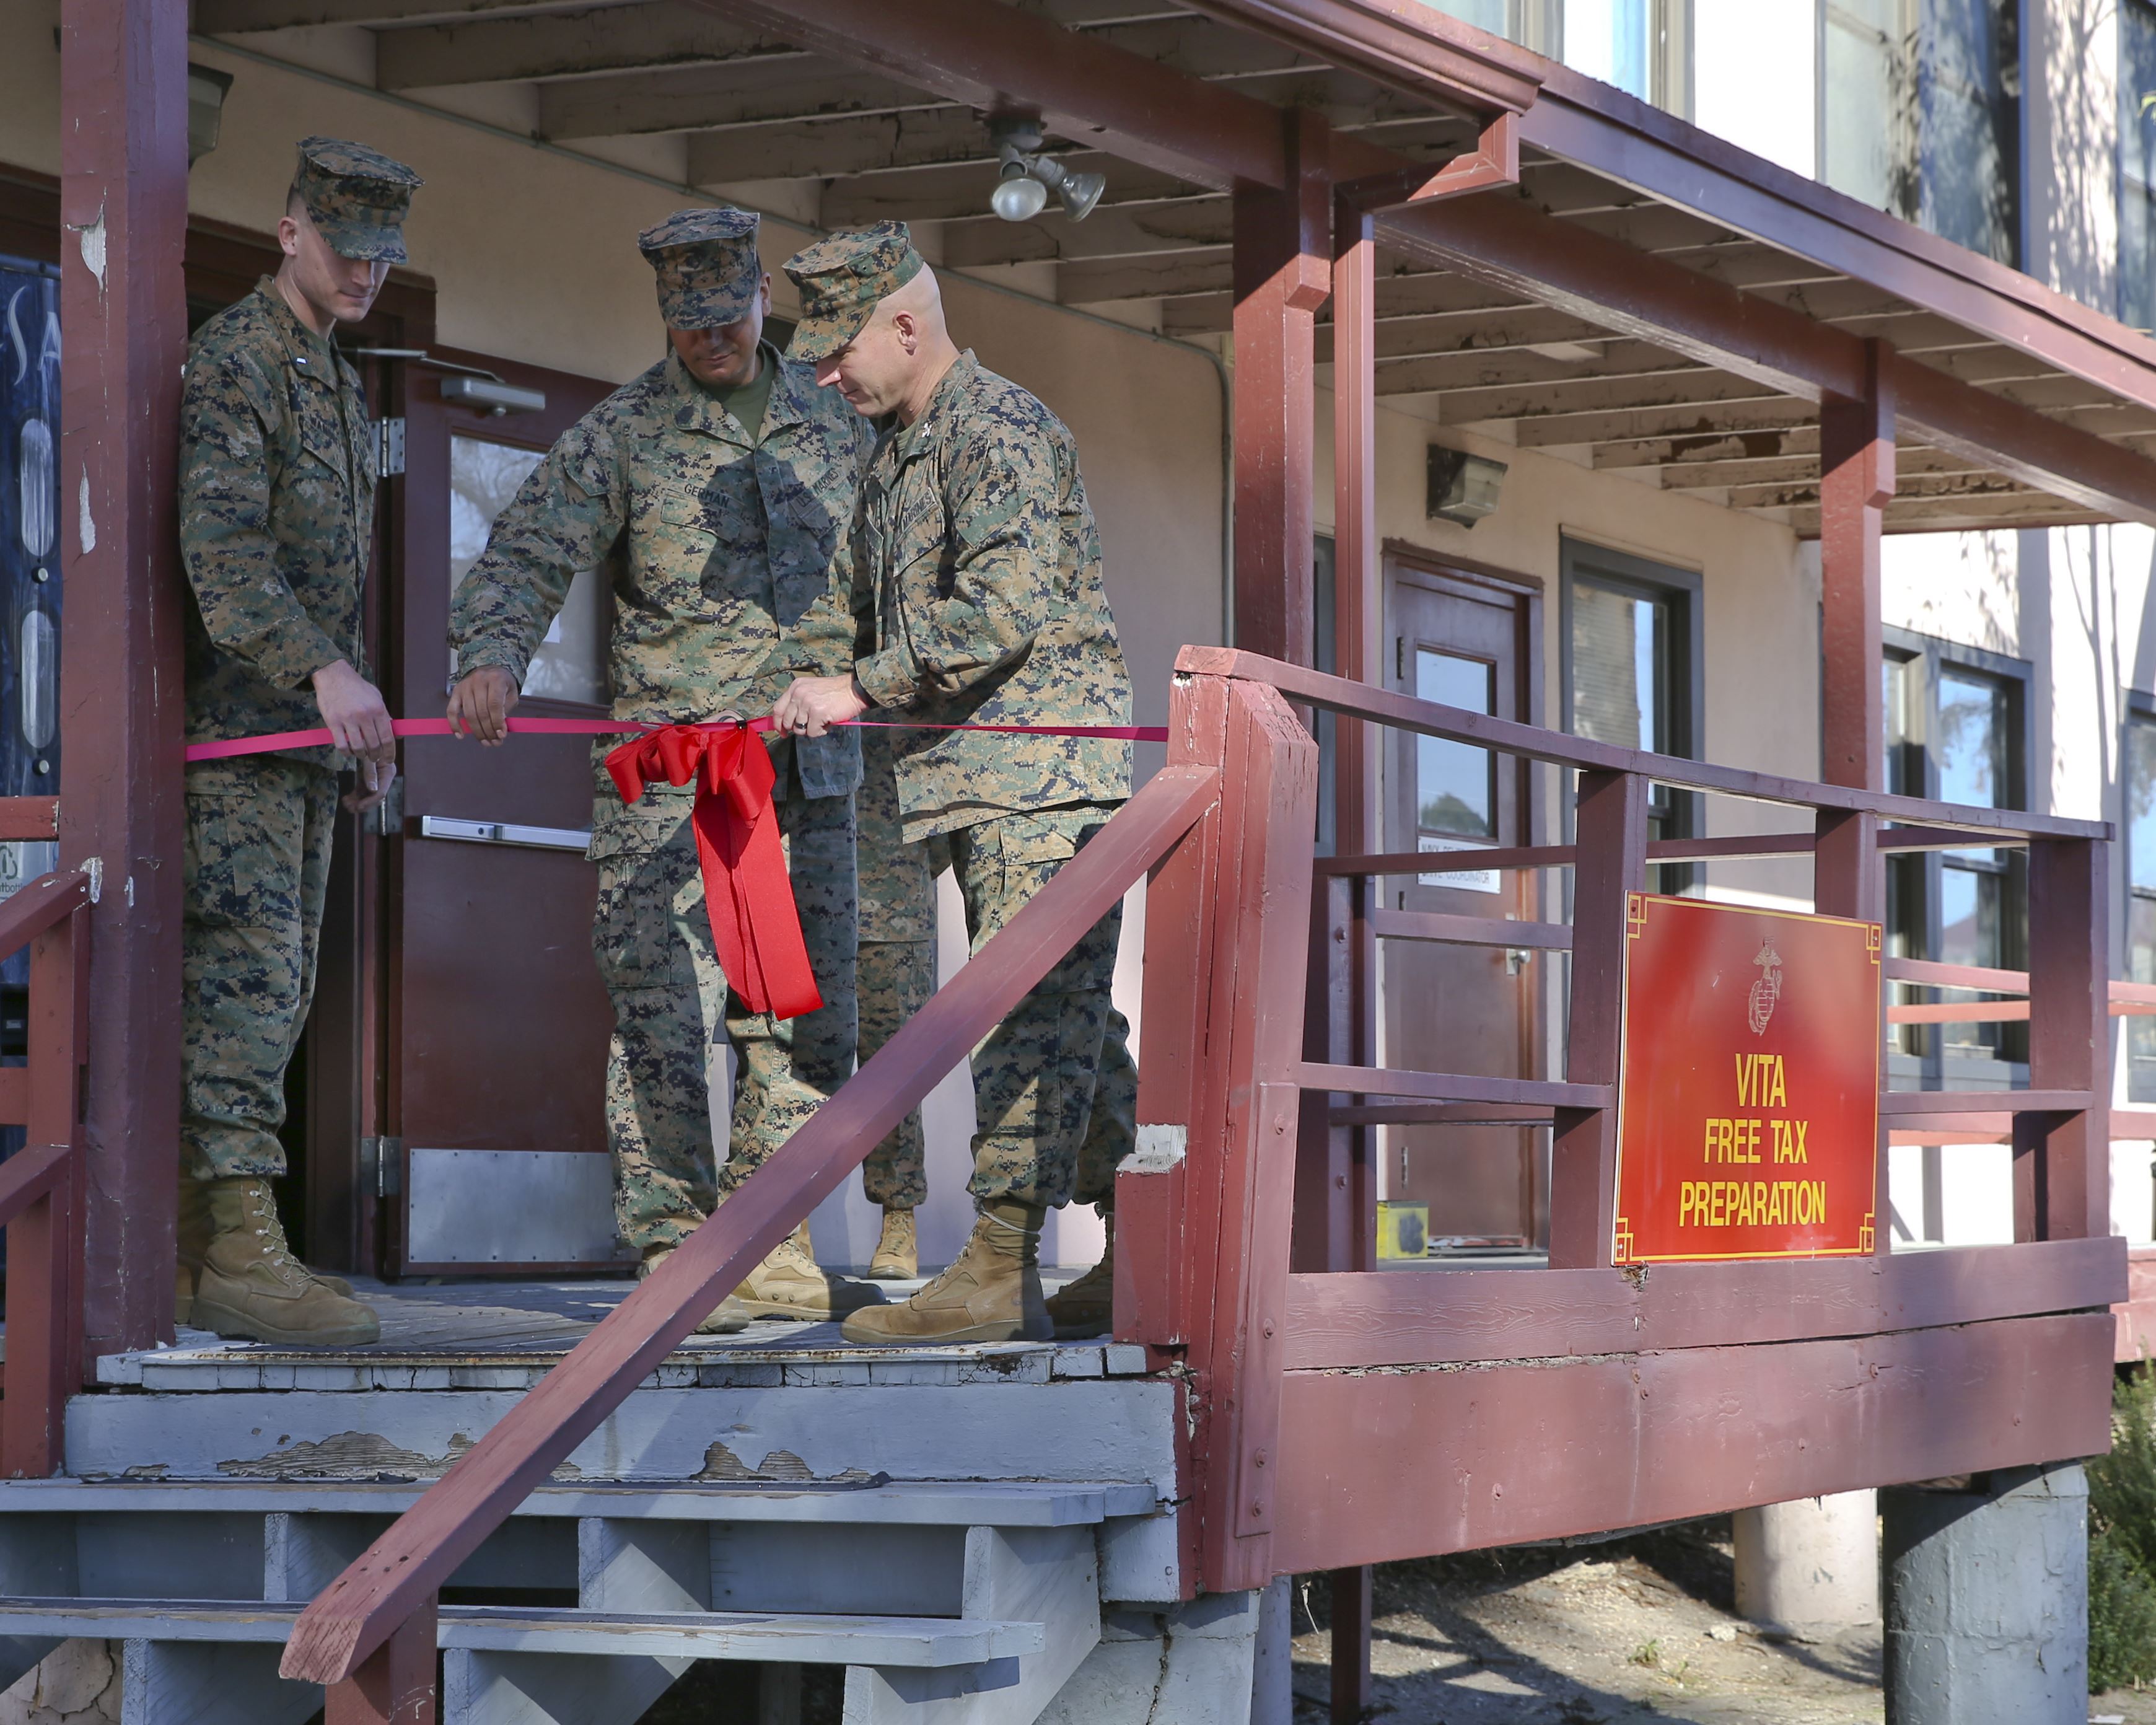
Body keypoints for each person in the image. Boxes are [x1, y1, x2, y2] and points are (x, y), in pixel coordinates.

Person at [447, 208, 882, 1328]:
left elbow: (900, 564)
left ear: (760, 298)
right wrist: (492, 655)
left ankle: (773, 1232)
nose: (710, 343)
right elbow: (528, 546)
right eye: (687, 327)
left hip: (806, 776)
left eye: (725, 318)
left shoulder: (837, 423)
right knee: (663, 1011)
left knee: (798, 1010)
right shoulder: (625, 432)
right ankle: (675, 1241)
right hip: (671, 778)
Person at [773, 222, 1136, 1345]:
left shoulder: (1000, 431)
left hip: (1043, 779)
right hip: (980, 783)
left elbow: (998, 614)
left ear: (907, 323)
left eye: (841, 354)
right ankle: (1145, 1238)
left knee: (1027, 1016)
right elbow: (847, 599)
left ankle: (994, 1264)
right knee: (1071, 1022)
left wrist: (857, 685)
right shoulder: (899, 452)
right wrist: (802, 675)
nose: (828, 376)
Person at [177, 138, 420, 1346]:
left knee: (288, 989)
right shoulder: (238, 360)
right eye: (347, 245)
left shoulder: (341, 378)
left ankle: (223, 1242)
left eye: (386, 251)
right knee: (249, 986)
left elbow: (336, 580)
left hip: (304, 747)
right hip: (235, 742)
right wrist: (320, 671)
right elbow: (222, 558)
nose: (369, 268)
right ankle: (234, 1249)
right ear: (290, 234)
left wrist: (359, 709)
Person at [855, 727, 936, 1280]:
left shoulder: (910, 678)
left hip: (894, 899)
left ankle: (898, 1219)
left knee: (894, 1073)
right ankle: (788, 1232)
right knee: (783, 1068)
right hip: (797, 897)